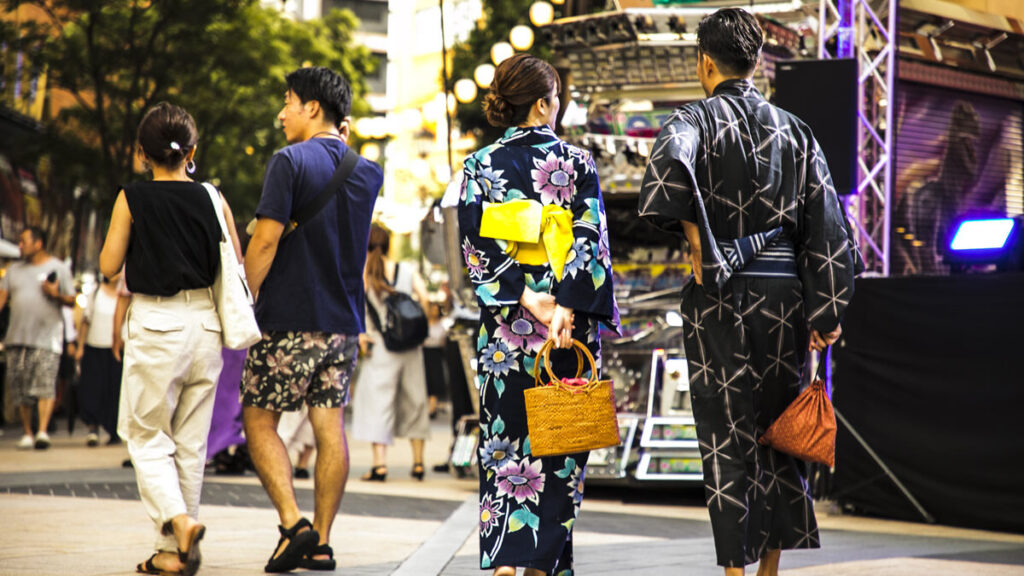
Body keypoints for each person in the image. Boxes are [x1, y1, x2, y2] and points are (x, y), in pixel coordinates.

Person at [637, 9, 862, 576]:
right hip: (784, 300)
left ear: (705, 62)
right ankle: (768, 572)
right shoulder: (796, 129)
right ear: (757, 60)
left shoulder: (694, 119)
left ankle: (734, 573)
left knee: (726, 435)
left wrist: (697, 240)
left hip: (719, 296)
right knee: (780, 434)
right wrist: (827, 307)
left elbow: (669, 164)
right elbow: (827, 225)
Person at [457, 53, 619, 576]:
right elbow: (590, 239)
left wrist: (526, 297)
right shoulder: (577, 164)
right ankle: (537, 566)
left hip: (508, 330)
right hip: (565, 334)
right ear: (546, 104)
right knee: (562, 454)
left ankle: (509, 559)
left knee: (506, 453)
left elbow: (475, 247)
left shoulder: (478, 166)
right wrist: (566, 303)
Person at [241, 65, 382, 573]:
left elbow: (265, 239)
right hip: (343, 322)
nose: (282, 113)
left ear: (313, 109)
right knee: (329, 428)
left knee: (258, 420)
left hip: (287, 317)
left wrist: (244, 295)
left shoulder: (289, 162)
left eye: (288, 102)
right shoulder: (367, 171)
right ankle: (321, 543)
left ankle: (293, 524)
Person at [100, 102, 239, 576]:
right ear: (192, 151)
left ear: (143, 153)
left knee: (143, 434)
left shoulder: (132, 198)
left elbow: (107, 266)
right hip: (206, 327)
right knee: (189, 445)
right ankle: (172, 552)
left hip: (157, 325)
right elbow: (234, 264)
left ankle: (178, 521)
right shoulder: (214, 198)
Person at [351, 223, 431, 482]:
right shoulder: (406, 270)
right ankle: (418, 463)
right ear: (389, 244)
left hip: (380, 346)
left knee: (378, 404)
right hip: (410, 346)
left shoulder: (363, 272)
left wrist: (363, 334)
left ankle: (380, 465)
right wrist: (421, 329)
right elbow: (425, 298)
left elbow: (357, 308)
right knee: (416, 400)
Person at [0, 226, 76, 451]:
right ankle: (27, 432)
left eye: (24, 241)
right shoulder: (13, 270)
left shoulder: (58, 268)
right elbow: (3, 296)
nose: (20, 246)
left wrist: (55, 294)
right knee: (20, 387)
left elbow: (71, 300)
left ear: (38, 243)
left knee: (45, 384)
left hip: (48, 336)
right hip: (17, 336)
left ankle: (42, 431)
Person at [75, 270, 124, 446]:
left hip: (116, 349)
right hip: (94, 347)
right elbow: (85, 321)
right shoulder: (95, 292)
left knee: (115, 391)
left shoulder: (125, 291)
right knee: (93, 389)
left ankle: (114, 430)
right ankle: (92, 428)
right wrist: (80, 346)